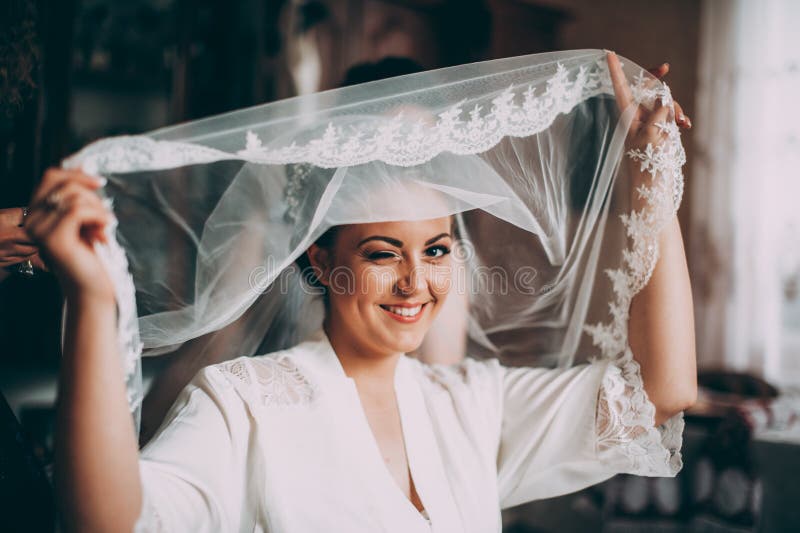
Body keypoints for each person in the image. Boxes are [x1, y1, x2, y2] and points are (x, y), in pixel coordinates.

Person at [25, 50, 696, 532]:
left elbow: (660, 393)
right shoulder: (244, 402)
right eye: (382, 253)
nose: (415, 281)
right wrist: (93, 300)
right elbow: (113, 520)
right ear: (320, 258)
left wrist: (650, 173)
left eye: (437, 249)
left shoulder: (472, 402)